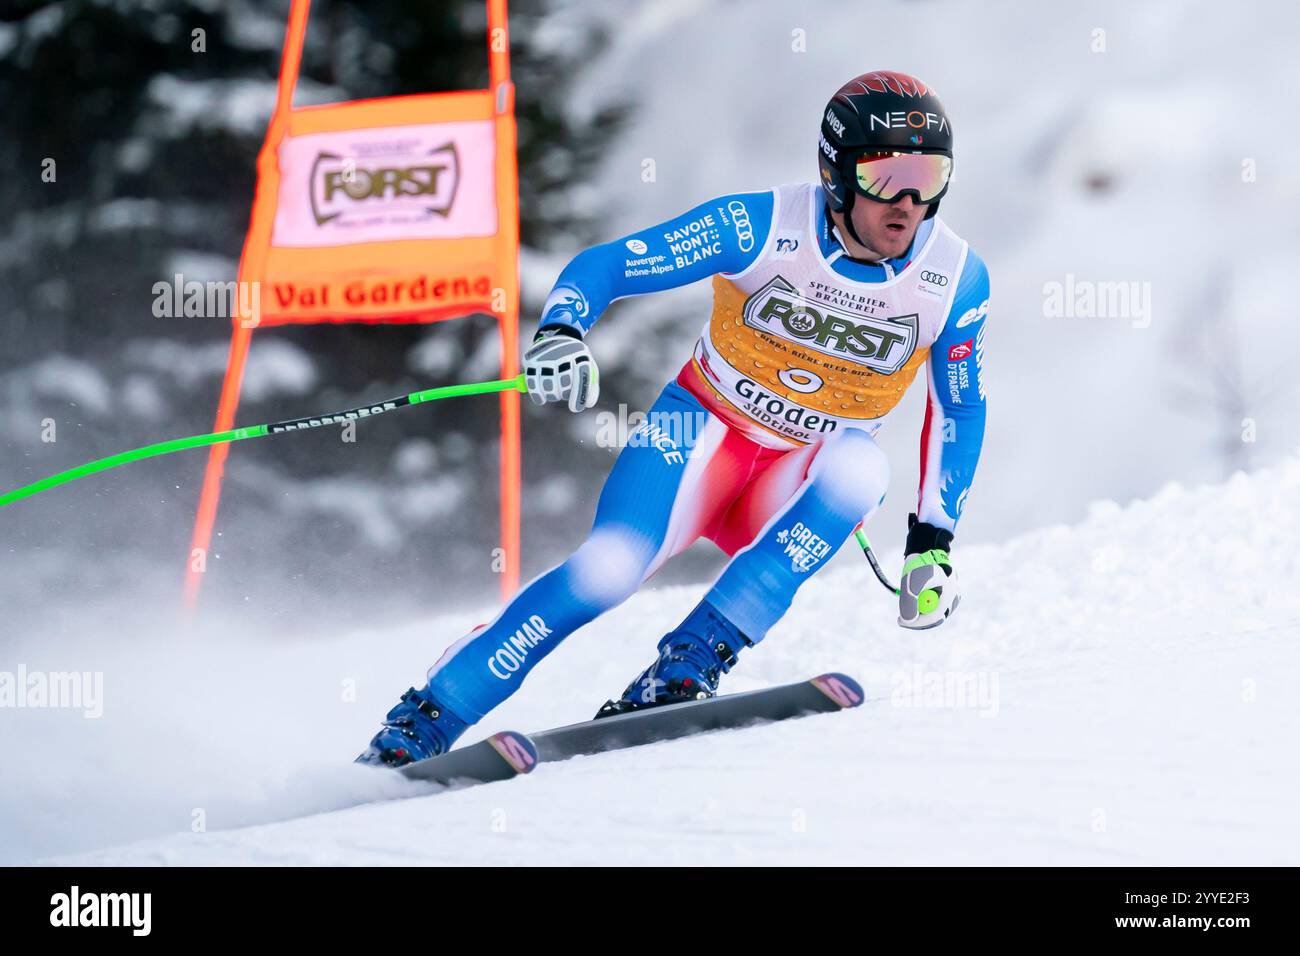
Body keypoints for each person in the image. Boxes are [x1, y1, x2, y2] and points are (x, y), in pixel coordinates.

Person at [359, 70, 989, 766]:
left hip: (801, 466)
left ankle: (686, 665)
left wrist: (933, 541)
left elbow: (960, 406)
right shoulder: (762, 225)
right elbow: (612, 265)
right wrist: (563, 330)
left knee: (861, 467)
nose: (907, 202)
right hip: (699, 434)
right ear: (835, 173)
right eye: (885, 177)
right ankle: (424, 721)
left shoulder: (953, 278)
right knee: (606, 571)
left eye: (928, 178)